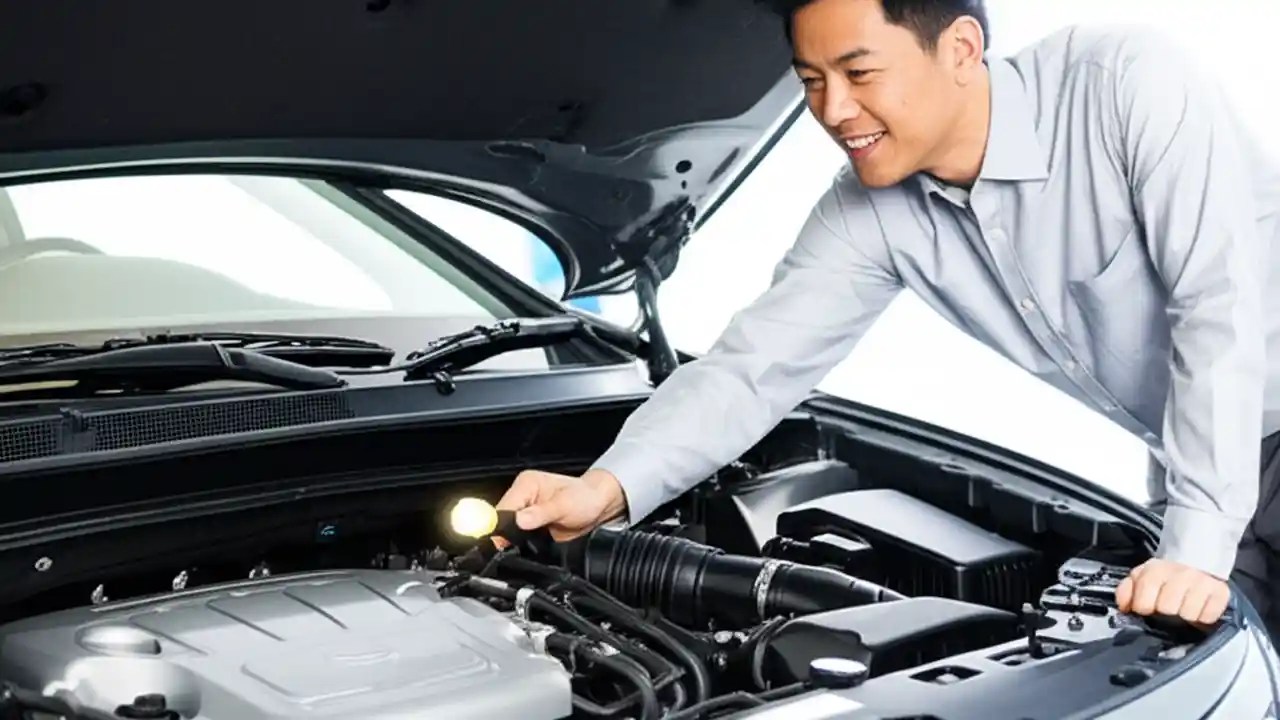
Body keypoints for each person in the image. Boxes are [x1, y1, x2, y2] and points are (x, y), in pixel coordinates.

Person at [497, 0, 1280, 634]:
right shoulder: (867, 212)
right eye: (810, 80)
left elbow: (1220, 309)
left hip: (1222, 456)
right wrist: (605, 488)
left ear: (962, 49)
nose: (835, 110)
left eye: (858, 71)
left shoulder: (1125, 84)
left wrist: (1196, 546)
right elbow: (750, 370)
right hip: (1203, 459)